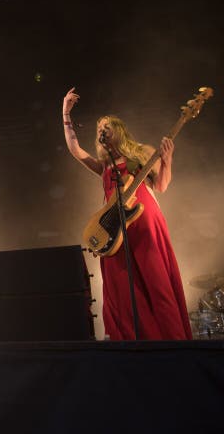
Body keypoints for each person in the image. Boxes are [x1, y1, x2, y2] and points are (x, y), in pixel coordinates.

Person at [62, 87, 192, 340]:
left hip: (144, 219)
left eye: (107, 126)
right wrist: (65, 113)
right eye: (99, 128)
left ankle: (169, 340)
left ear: (119, 130)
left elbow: (161, 185)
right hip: (114, 227)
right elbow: (75, 150)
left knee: (155, 280)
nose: (102, 130)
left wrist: (167, 160)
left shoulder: (142, 152)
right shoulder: (103, 166)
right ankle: (130, 341)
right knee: (121, 285)